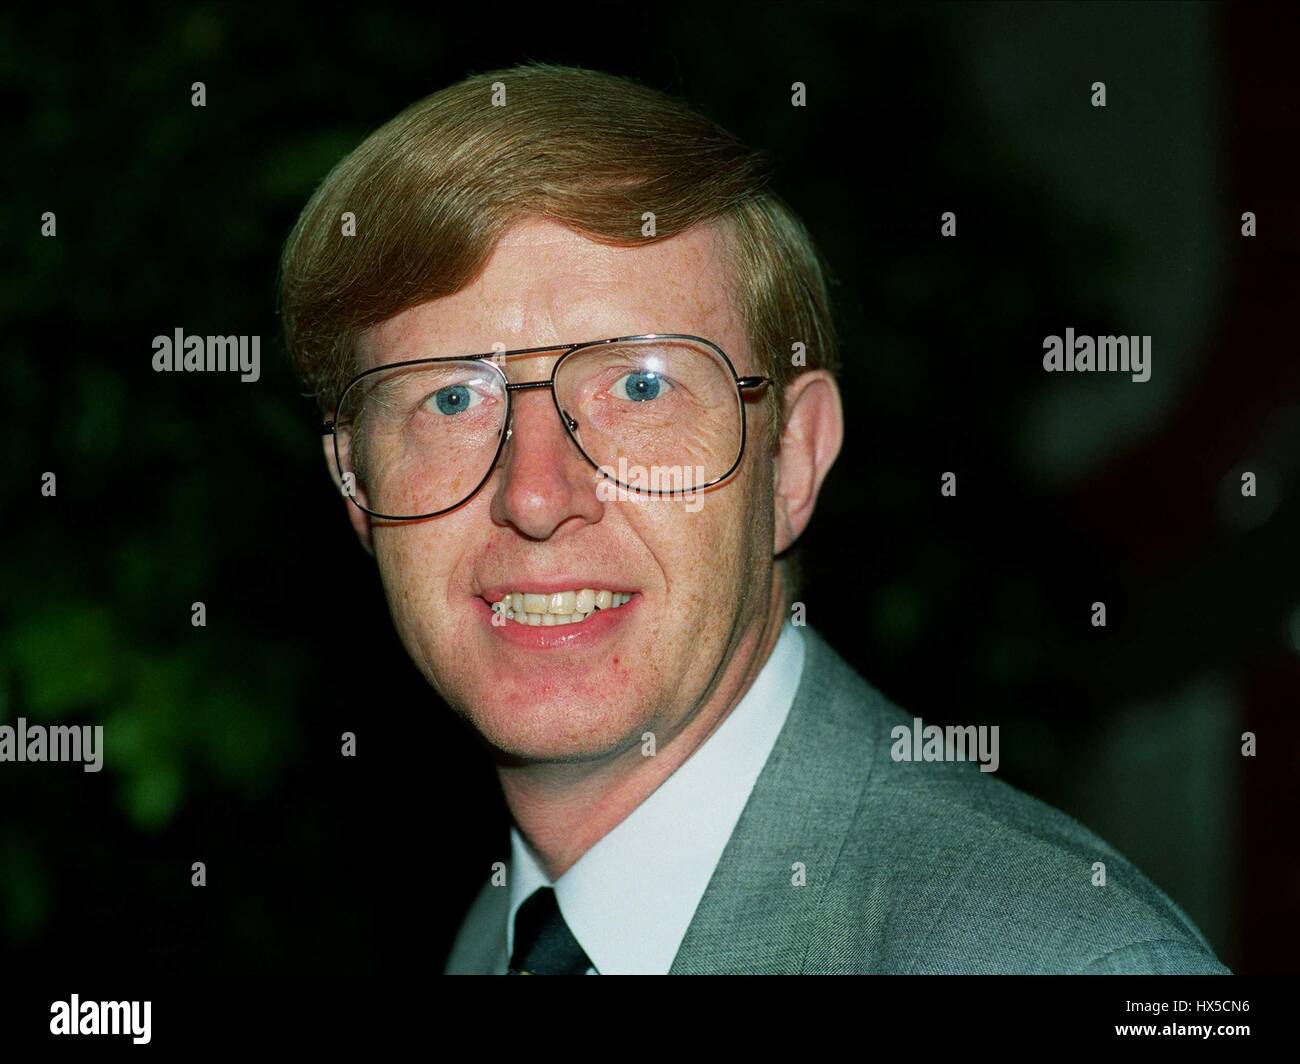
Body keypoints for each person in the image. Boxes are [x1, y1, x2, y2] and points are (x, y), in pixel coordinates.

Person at [279, 63, 1228, 975]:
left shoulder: (1054, 960)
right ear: (354, 481)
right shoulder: (508, 936)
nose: (534, 493)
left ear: (791, 461)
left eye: (640, 386)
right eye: (450, 401)